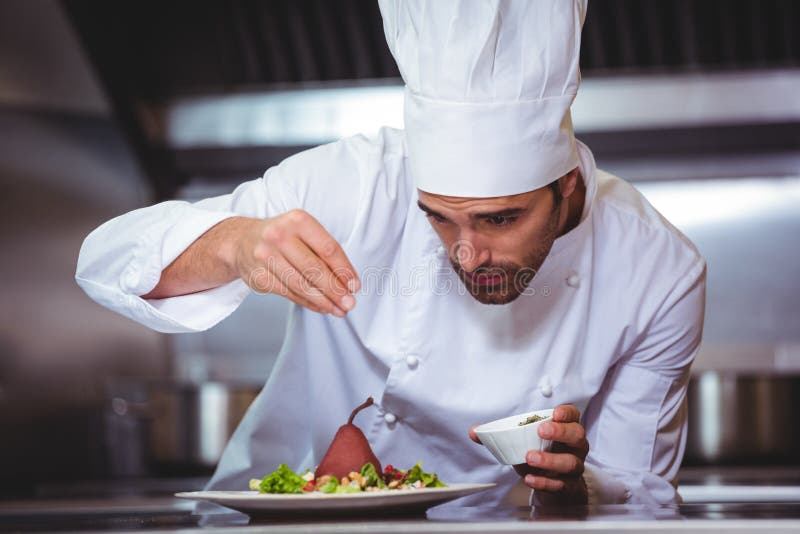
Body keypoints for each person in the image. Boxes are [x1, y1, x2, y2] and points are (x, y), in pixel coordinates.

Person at [76, 0, 705, 507]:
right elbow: (105, 263)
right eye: (438, 217)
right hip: (281, 521)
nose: (467, 253)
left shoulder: (658, 271)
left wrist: (578, 484)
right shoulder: (357, 180)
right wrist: (234, 244)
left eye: (500, 219)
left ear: (566, 185)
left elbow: (641, 492)